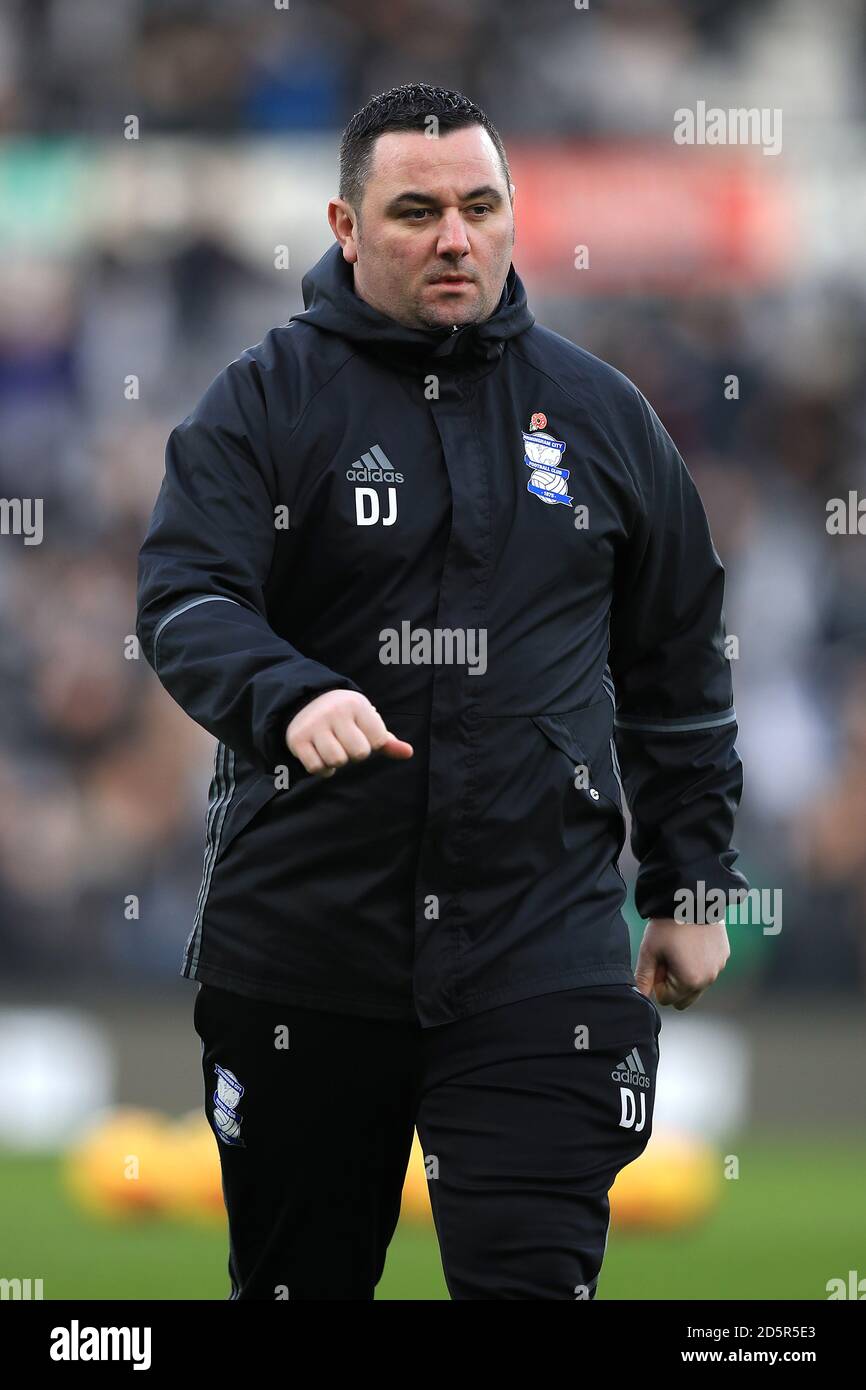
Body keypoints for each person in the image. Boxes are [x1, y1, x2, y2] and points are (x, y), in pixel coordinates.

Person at [136, 82, 748, 1300]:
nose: (454, 236)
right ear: (345, 225)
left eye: (480, 205)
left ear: (515, 214)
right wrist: (286, 693)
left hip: (541, 949)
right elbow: (184, 600)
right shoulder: (260, 403)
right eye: (415, 210)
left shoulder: (601, 417)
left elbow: (677, 665)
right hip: (306, 950)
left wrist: (687, 883)